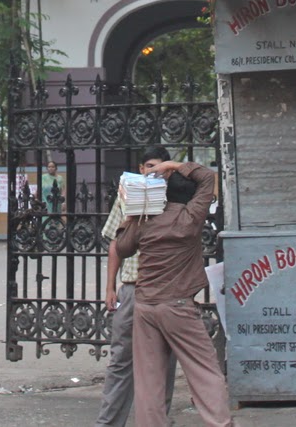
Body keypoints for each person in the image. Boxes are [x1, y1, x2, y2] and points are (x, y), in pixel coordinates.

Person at [113, 153, 233, 427]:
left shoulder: (145, 220)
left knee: (148, 379)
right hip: (177, 306)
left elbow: (122, 248)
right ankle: (220, 424)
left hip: (145, 306)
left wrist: (131, 210)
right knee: (204, 371)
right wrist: (175, 165)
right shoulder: (191, 216)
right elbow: (207, 178)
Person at [95, 147, 176, 427]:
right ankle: (109, 422)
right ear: (139, 169)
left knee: (163, 362)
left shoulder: (175, 199)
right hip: (131, 287)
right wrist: (110, 287)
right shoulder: (126, 195)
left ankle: (158, 420)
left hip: (164, 291)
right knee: (121, 360)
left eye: (158, 167)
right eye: (147, 167)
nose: (151, 172)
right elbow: (116, 243)